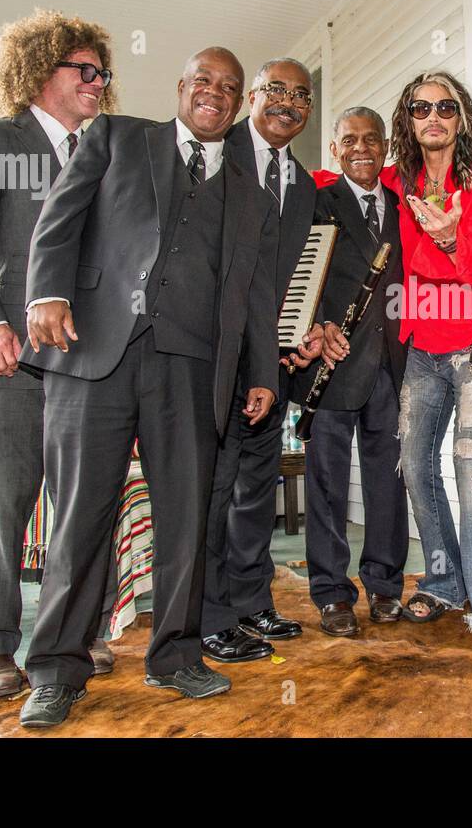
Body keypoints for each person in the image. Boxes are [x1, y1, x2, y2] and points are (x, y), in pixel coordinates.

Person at [16, 47, 280, 728]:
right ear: (181, 85)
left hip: (190, 366)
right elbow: (59, 218)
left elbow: (252, 294)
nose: (215, 94)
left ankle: (175, 656)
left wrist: (259, 372)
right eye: (204, 81)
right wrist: (46, 292)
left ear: (240, 102)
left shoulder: (249, 194)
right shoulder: (117, 135)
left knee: (187, 519)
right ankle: (56, 669)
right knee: (81, 517)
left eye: (229, 86)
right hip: (96, 351)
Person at [0, 9, 118, 701]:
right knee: (2, 508)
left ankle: (79, 632)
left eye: (104, 73)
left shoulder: (103, 154)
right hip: (6, 365)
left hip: (85, 368)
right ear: (42, 72)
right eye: (86, 71)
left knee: (83, 506)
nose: (99, 83)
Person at [389, 71, 472, 654]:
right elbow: (345, 173)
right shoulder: (401, 180)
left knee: (470, 471)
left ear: (462, 116)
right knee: (415, 467)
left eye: (446, 106)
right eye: (422, 108)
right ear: (410, 120)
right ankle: (444, 579)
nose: (434, 116)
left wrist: (448, 240)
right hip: (420, 344)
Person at [199, 58, 322, 665]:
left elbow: (292, 275)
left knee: (255, 490)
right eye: (276, 90)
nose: (288, 103)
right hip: (214, 356)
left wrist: (301, 332)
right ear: (251, 97)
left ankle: (251, 602)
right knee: (214, 490)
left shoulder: (301, 183)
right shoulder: (216, 154)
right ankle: (209, 614)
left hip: (272, 365)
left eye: (301, 96)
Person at [302, 107, 409, 636]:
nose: (361, 148)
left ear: (385, 147)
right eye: (350, 140)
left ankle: (387, 585)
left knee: (389, 479)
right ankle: (331, 592)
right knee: (325, 481)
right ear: (335, 149)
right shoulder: (318, 203)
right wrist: (319, 325)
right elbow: (298, 275)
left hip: (393, 365)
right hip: (333, 360)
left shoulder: (404, 206)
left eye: (371, 140)